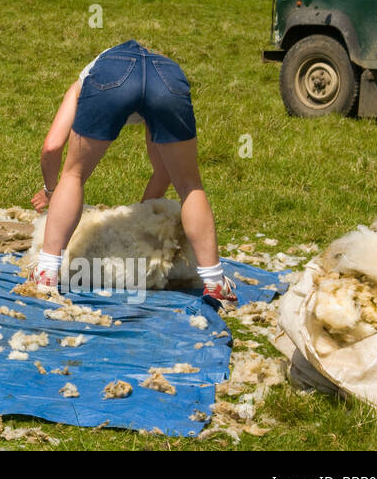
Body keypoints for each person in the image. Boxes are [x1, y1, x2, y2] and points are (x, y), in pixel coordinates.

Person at [30, 40, 237, 308]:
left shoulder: (88, 77)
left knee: (73, 175)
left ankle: (46, 273)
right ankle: (215, 282)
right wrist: (142, 224)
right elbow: (163, 172)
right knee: (189, 185)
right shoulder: (160, 76)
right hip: (168, 78)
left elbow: (52, 146)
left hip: (112, 77)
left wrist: (50, 191)